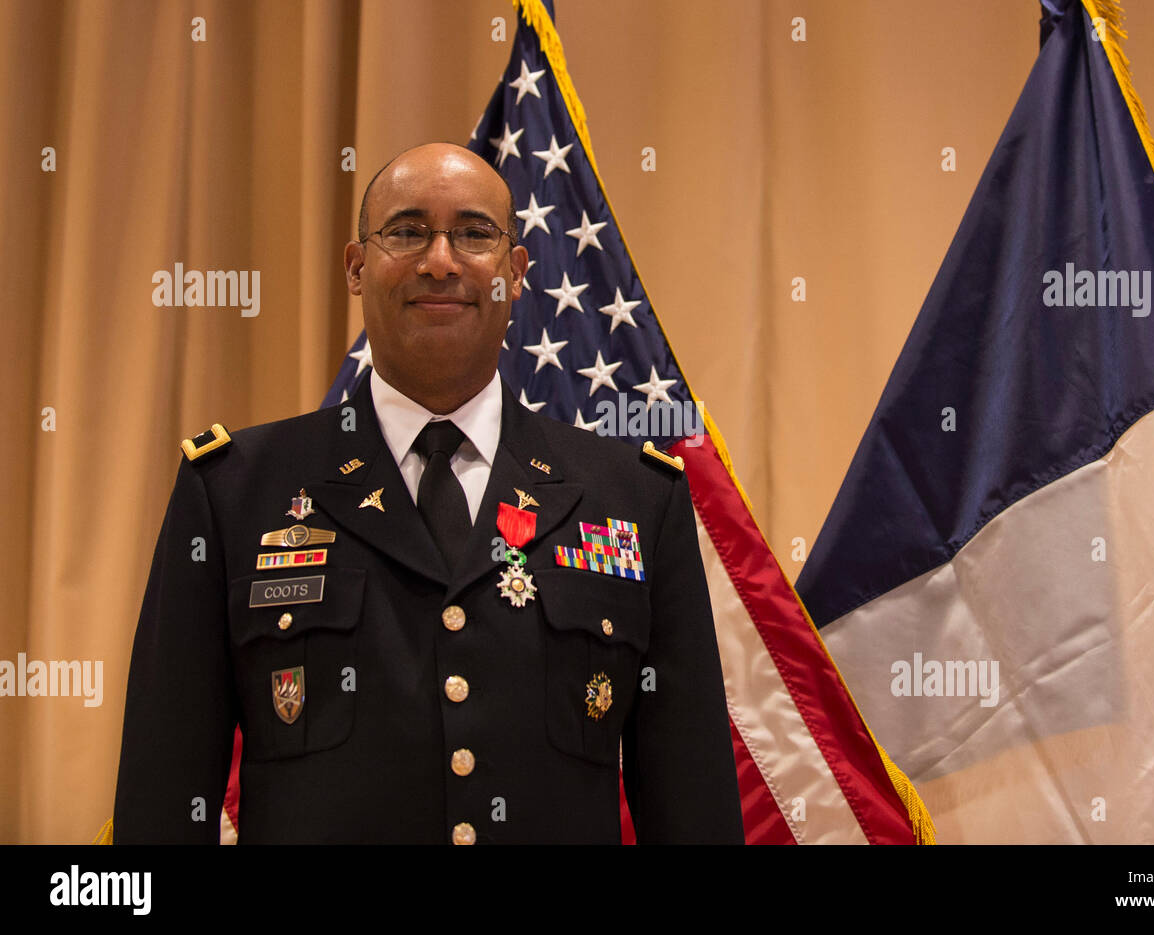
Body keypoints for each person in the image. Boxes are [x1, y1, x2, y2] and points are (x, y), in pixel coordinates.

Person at [113, 143, 743, 844]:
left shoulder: (634, 499)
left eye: (475, 234)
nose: (441, 260)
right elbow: (161, 804)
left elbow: (694, 806)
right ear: (356, 268)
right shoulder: (233, 491)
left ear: (516, 272)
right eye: (407, 231)